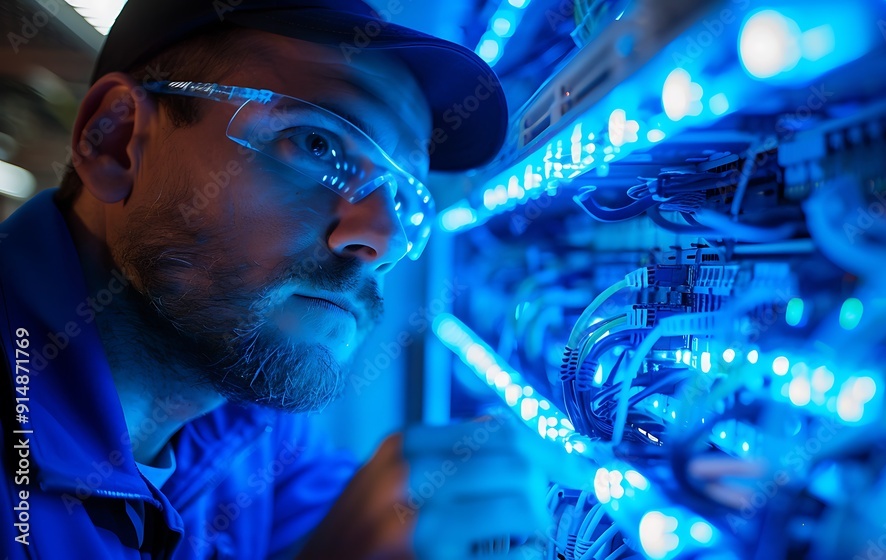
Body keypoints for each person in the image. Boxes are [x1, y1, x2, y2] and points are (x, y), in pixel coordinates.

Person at [0, 0, 554, 558]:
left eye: (406, 198)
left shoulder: (246, 409)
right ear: (118, 140)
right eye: (317, 144)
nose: (381, 242)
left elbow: (340, 524)